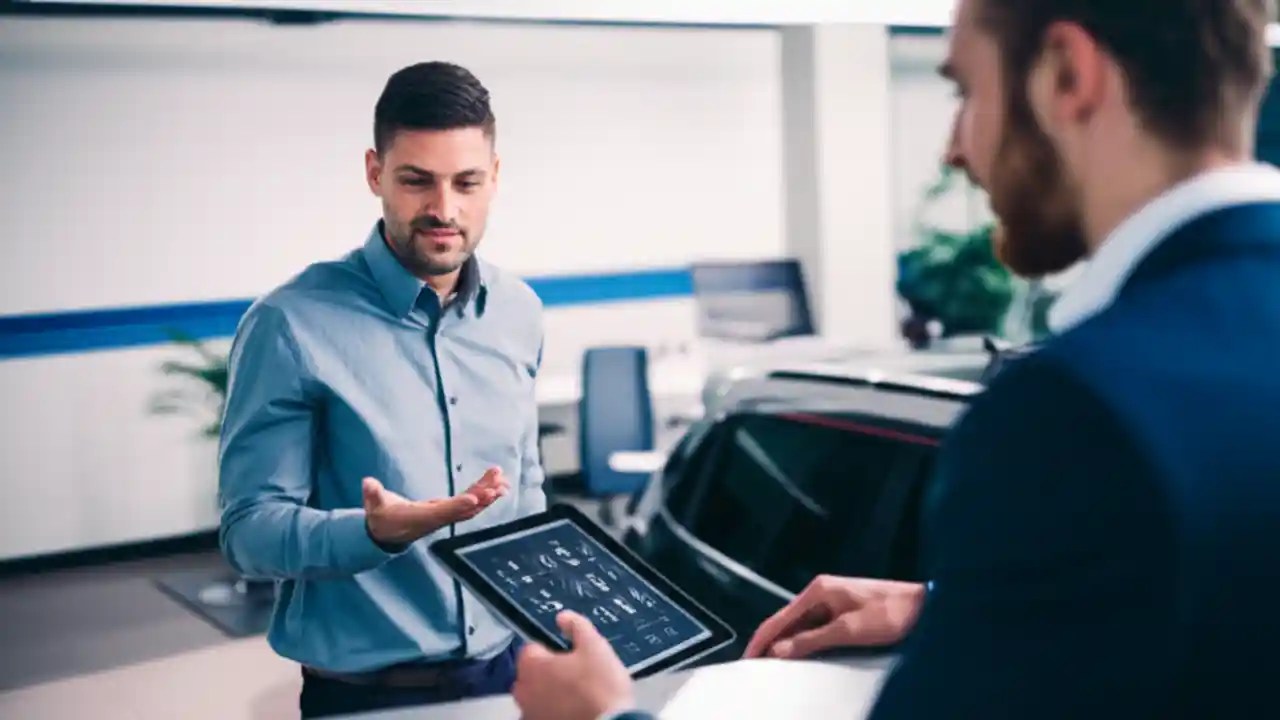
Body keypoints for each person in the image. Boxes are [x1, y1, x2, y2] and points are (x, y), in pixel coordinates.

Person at [511, 0, 1280, 718]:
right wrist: (941, 604)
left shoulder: (1073, 411)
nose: (955, 149)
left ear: (1067, 77)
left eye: (965, 92)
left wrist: (603, 714)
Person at [218, 61, 547, 718]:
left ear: (494, 177)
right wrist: (372, 533)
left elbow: (527, 488)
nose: (444, 209)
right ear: (375, 173)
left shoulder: (519, 312)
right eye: (416, 181)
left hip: (509, 675)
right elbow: (248, 534)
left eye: (466, 182)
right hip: (364, 700)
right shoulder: (289, 324)